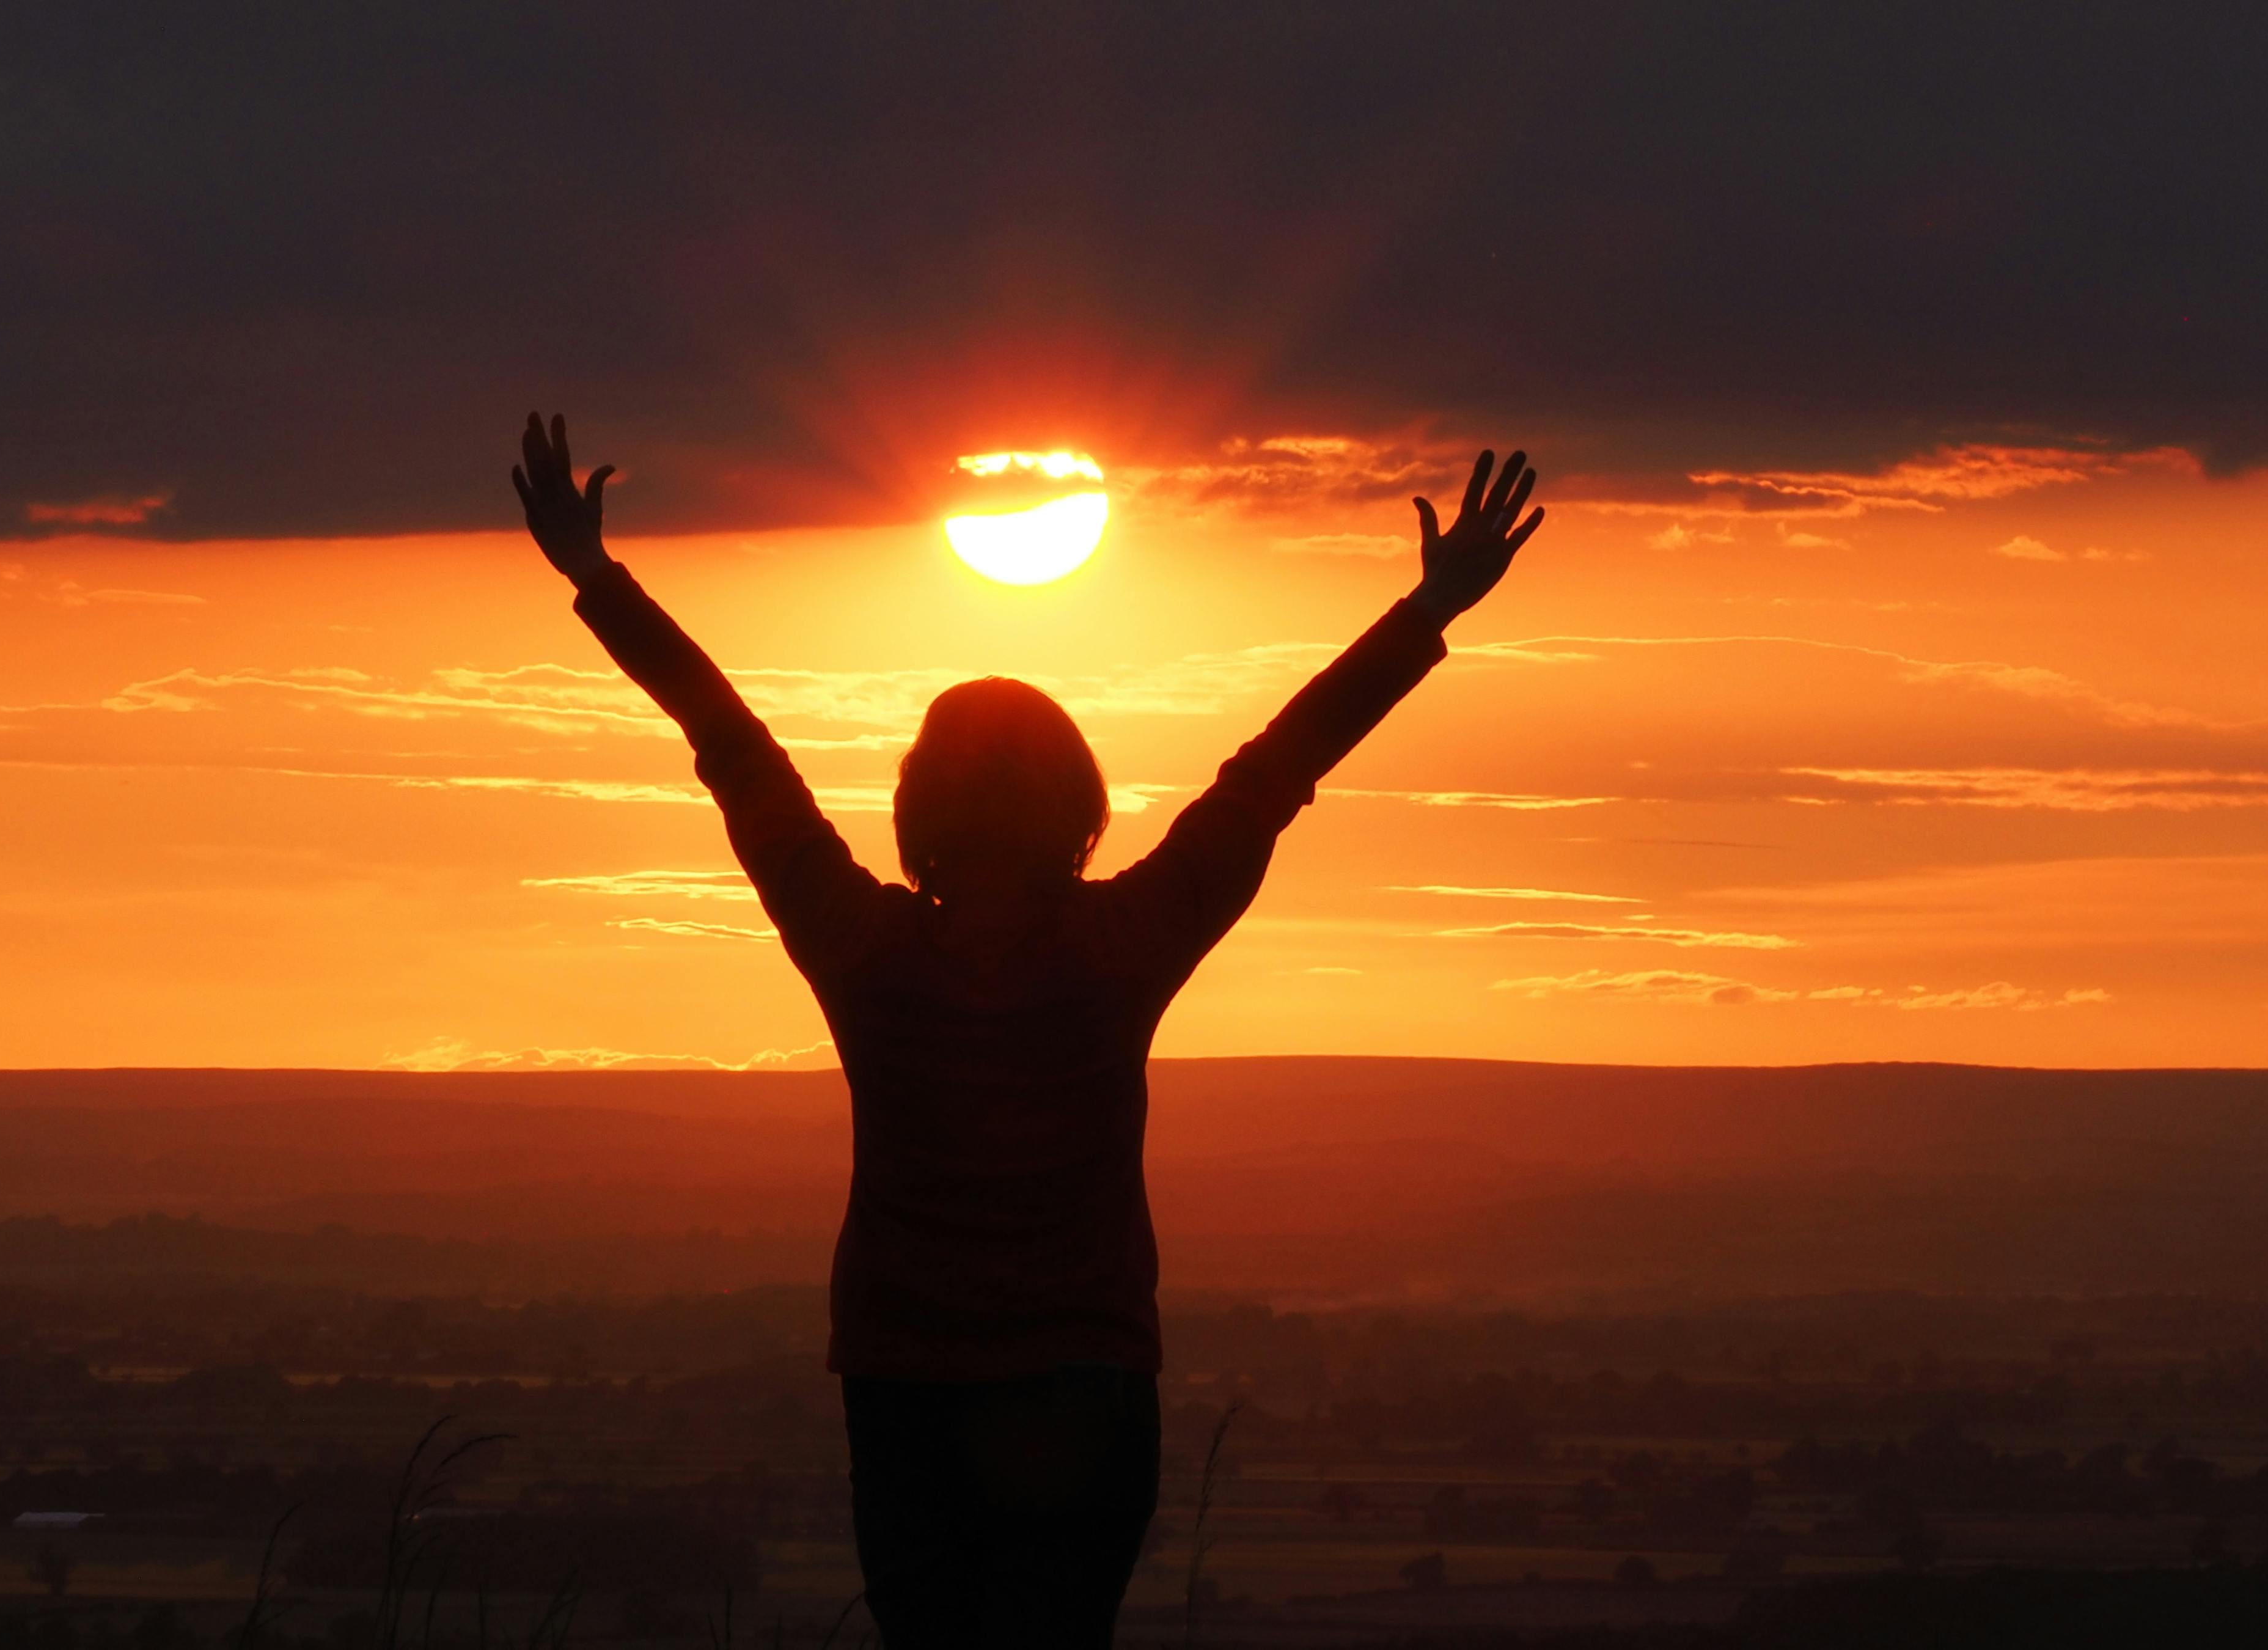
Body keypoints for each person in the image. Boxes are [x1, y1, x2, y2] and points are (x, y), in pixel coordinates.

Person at [510, 416, 1541, 1646]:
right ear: (1080, 807)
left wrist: (597, 576)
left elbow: (732, 747)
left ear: (918, 812)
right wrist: (1430, 610)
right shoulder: (1125, 943)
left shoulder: (863, 946)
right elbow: (1279, 768)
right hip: (1086, 1388)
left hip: (904, 1389)